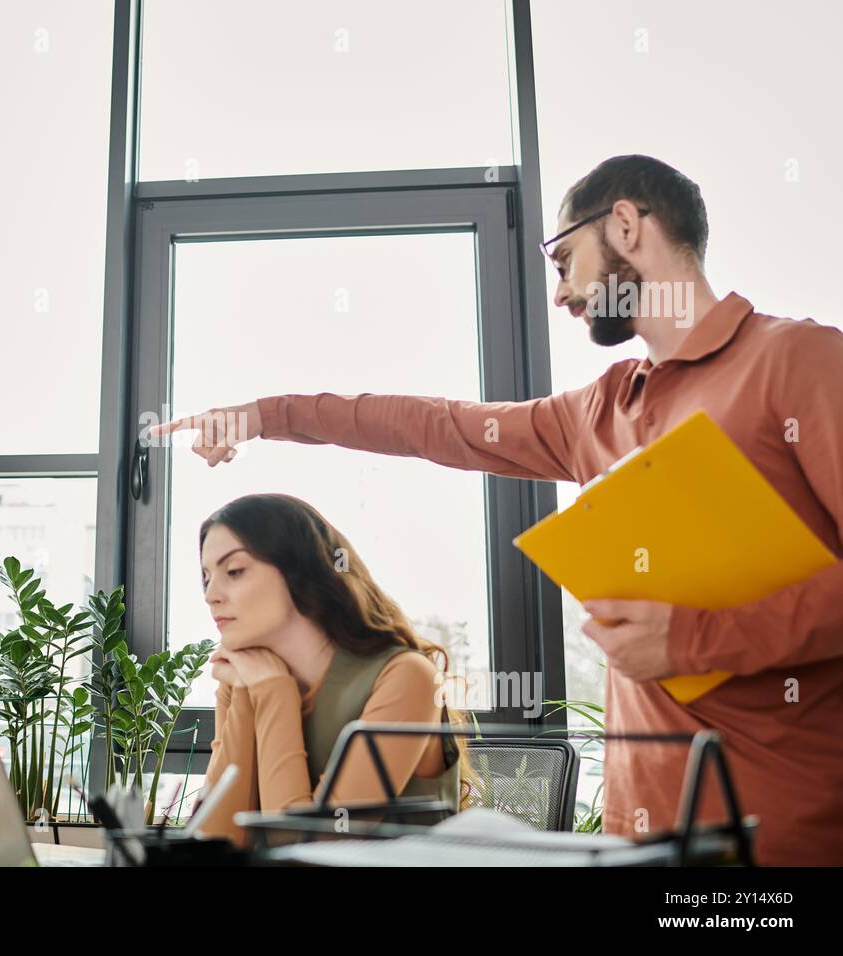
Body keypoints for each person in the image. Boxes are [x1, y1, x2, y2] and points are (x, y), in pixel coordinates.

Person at [155, 154, 843, 866]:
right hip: (640, 838)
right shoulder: (602, 410)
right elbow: (434, 425)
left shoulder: (800, 362)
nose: (561, 293)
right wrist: (263, 416)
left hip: (791, 836)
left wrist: (694, 640)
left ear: (627, 225)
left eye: (565, 258)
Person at [192, 493, 468, 847]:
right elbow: (214, 844)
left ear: (301, 571)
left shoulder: (406, 676)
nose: (210, 594)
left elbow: (313, 852)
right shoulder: (245, 675)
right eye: (206, 577)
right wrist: (249, 693)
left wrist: (274, 692)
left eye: (234, 571)